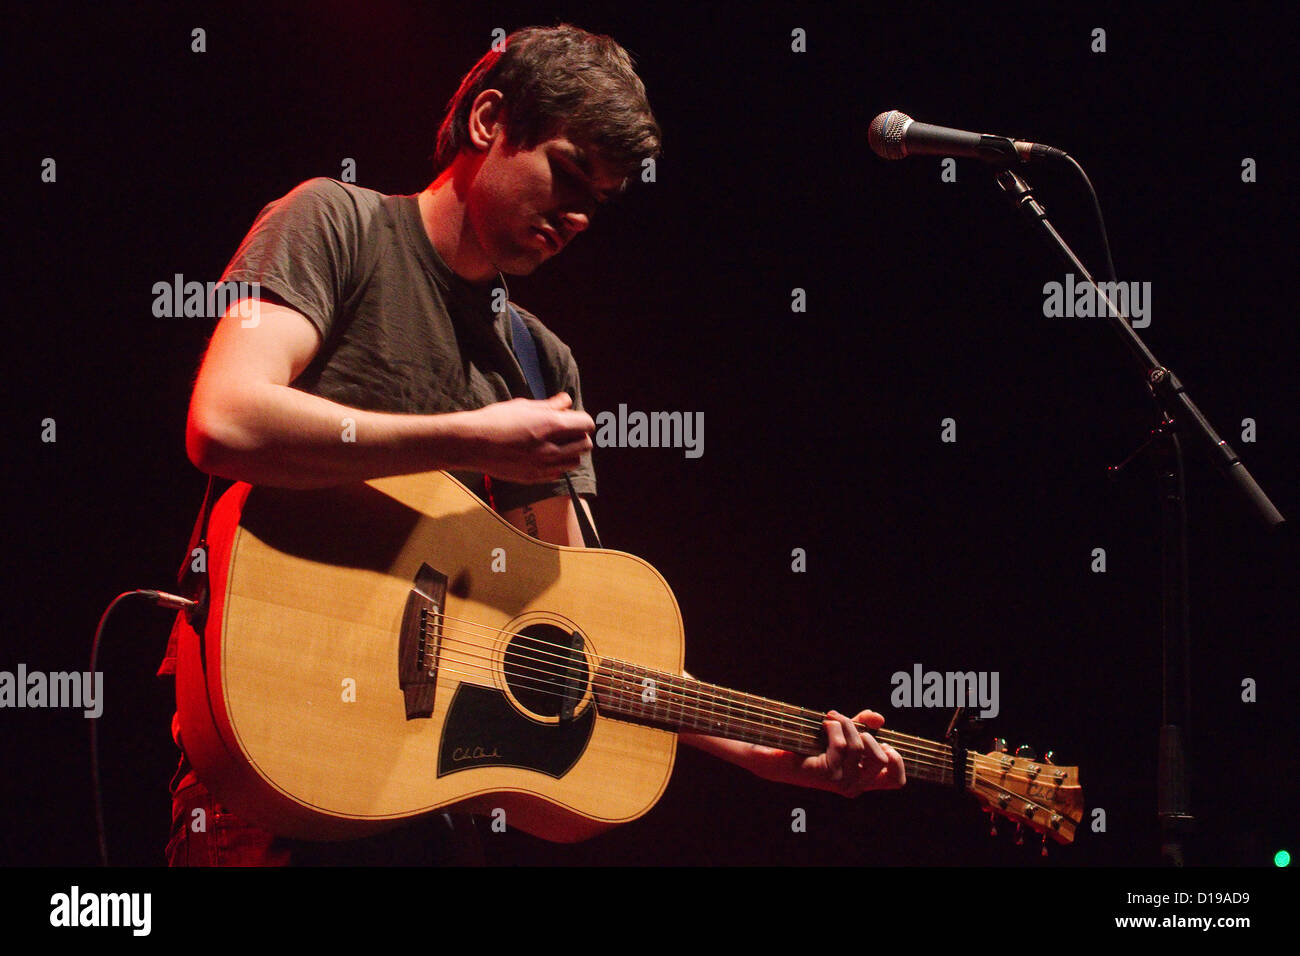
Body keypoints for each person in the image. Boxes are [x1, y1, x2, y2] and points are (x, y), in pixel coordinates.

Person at [161, 23, 905, 866]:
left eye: (603, 197)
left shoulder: (539, 361)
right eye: (567, 172)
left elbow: (588, 634)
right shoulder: (334, 222)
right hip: (277, 759)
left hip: (423, 789)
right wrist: (474, 436)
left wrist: (768, 752)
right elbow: (224, 421)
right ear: (488, 121)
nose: (580, 214)